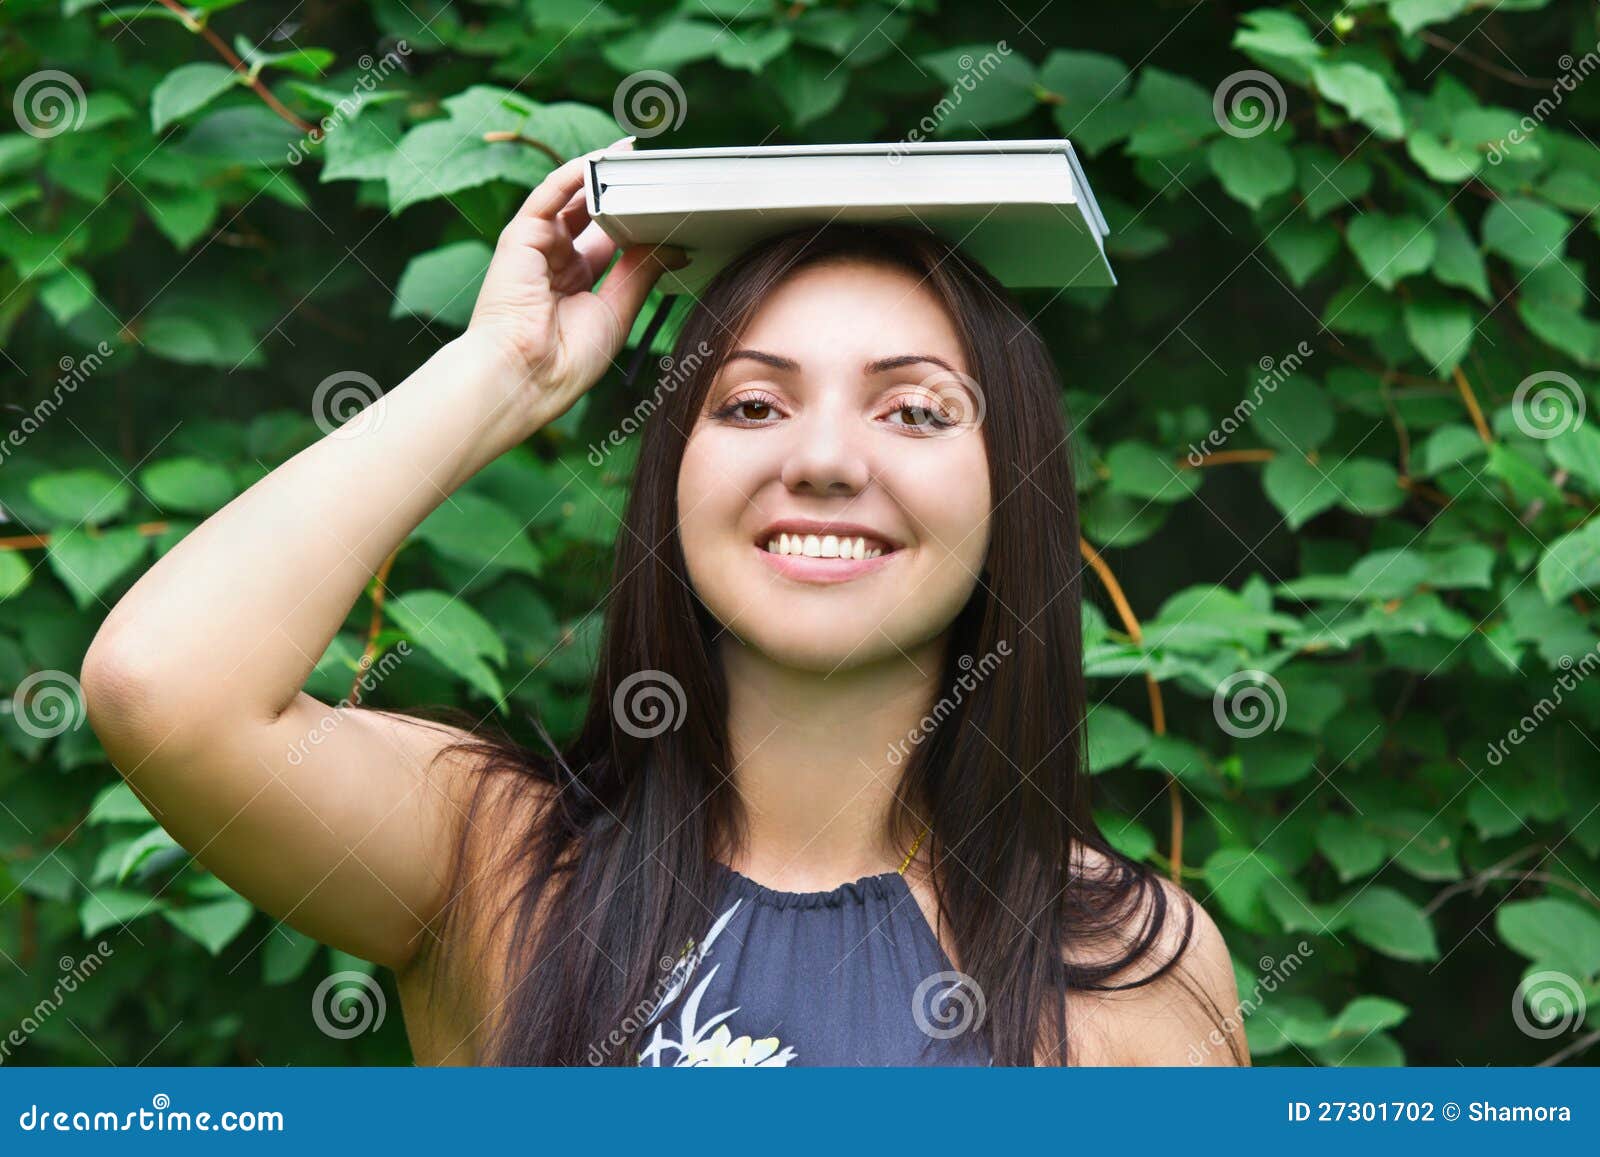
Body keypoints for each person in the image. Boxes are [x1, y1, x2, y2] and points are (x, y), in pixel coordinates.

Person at [82, 139, 1249, 1067]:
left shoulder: (1127, 961)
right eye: (751, 404)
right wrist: (503, 374)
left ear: (1015, 491)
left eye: (914, 410)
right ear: (670, 476)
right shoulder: (495, 864)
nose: (828, 460)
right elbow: (165, 687)